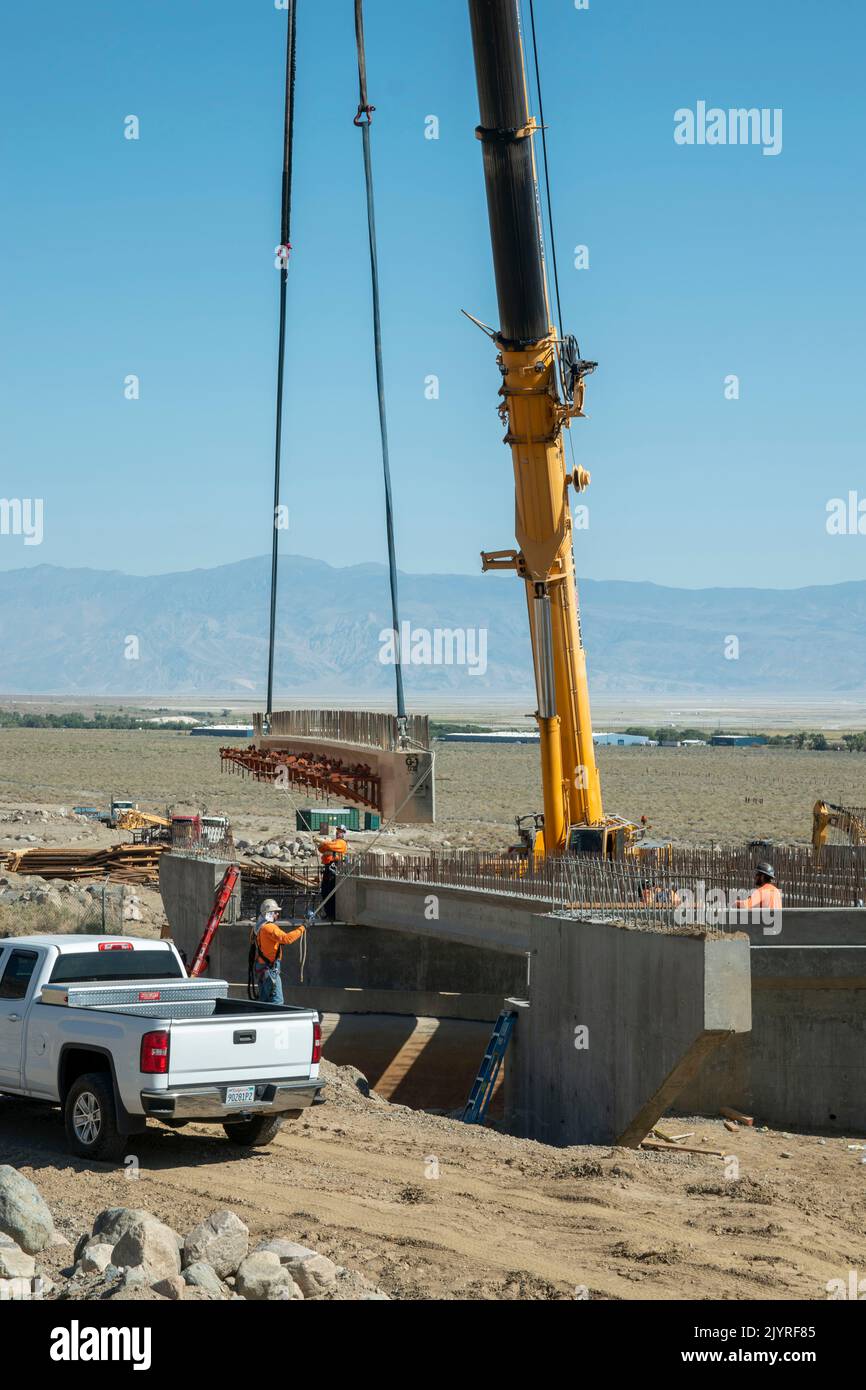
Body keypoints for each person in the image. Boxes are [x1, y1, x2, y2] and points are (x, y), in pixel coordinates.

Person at [251, 897, 305, 1004]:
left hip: (261, 968)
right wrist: (302, 928)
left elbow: (262, 944)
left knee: (264, 1001)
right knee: (277, 1001)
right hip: (270, 970)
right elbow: (287, 939)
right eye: (275, 912)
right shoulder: (270, 927)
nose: (277, 915)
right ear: (269, 913)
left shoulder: (256, 928)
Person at [316, 824, 348, 922]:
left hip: (334, 869)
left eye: (341, 831)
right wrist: (324, 844)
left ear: (343, 834)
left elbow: (330, 846)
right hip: (328, 869)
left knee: (331, 892)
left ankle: (332, 914)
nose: (338, 832)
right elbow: (321, 849)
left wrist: (324, 842)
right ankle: (328, 913)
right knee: (325, 891)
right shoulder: (333, 842)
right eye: (338, 830)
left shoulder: (341, 843)